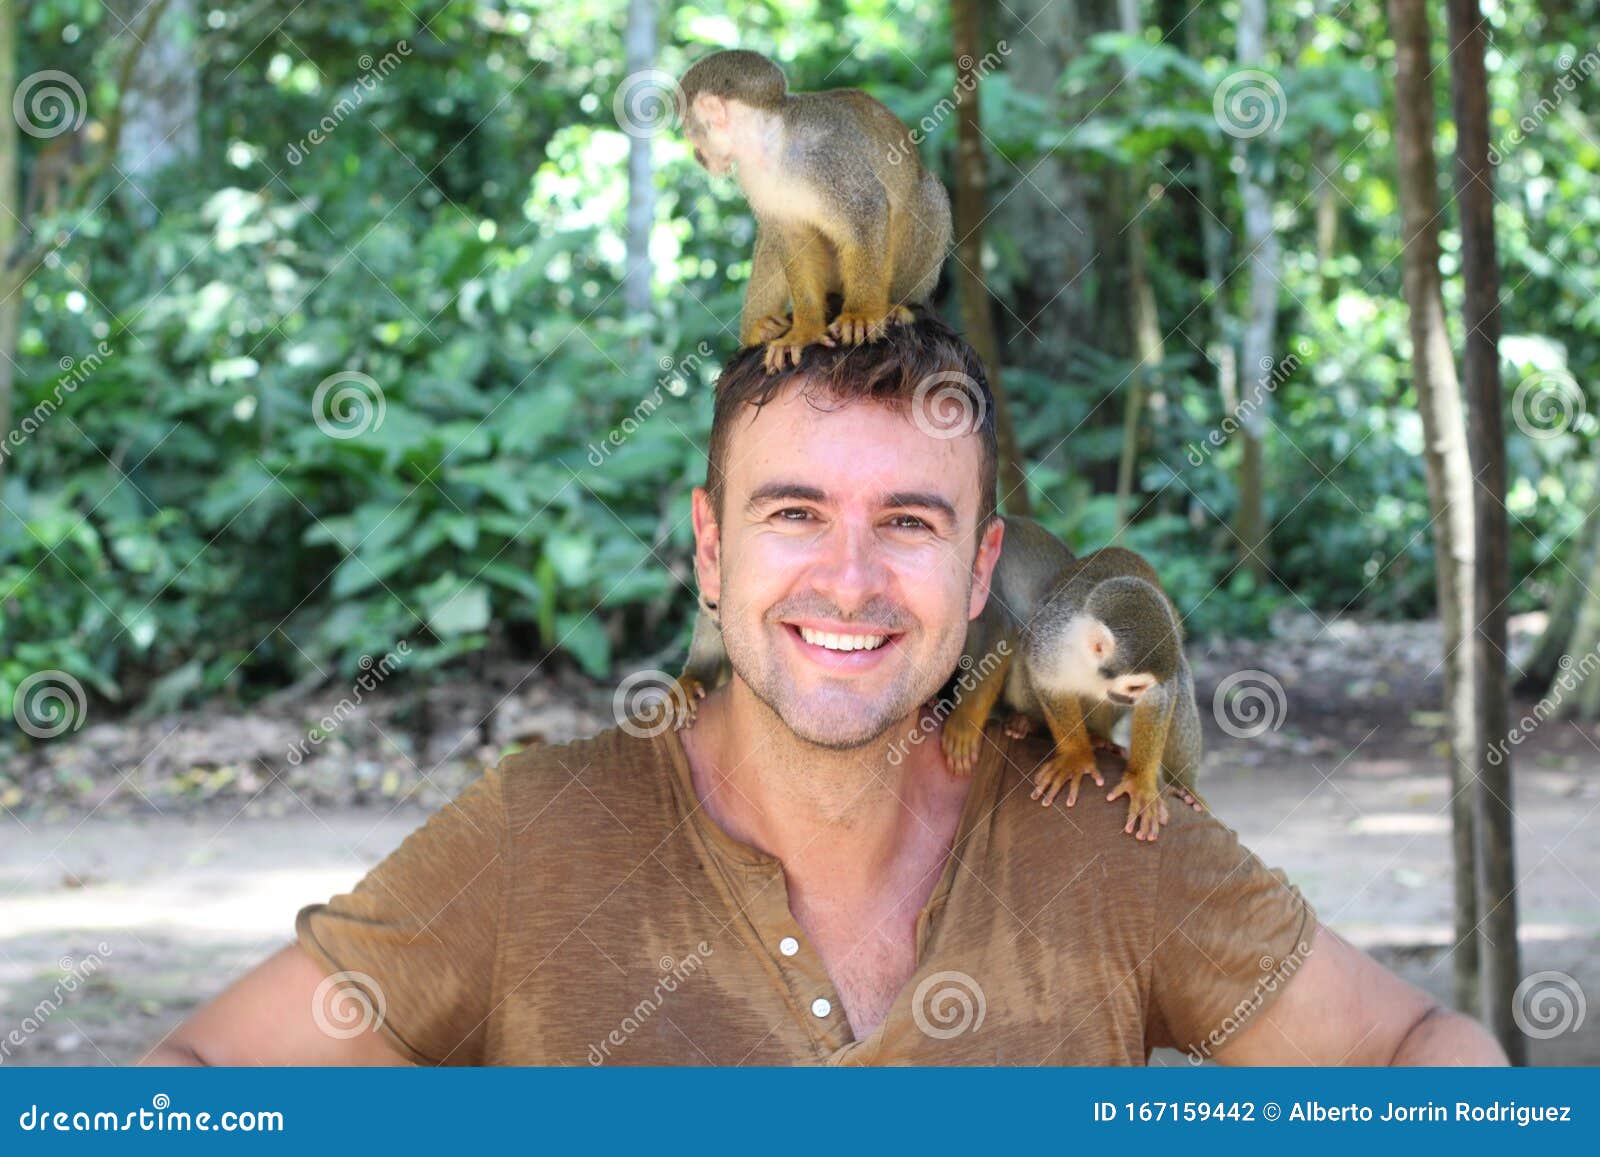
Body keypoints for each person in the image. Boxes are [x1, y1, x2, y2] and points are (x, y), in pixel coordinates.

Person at [139, 308, 1507, 1066]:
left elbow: (1423, 1057)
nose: (849, 580)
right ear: (710, 549)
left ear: (981, 576)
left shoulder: (1100, 833)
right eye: (796, 514)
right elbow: (188, 1091)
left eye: (906, 524)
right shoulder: (539, 833)